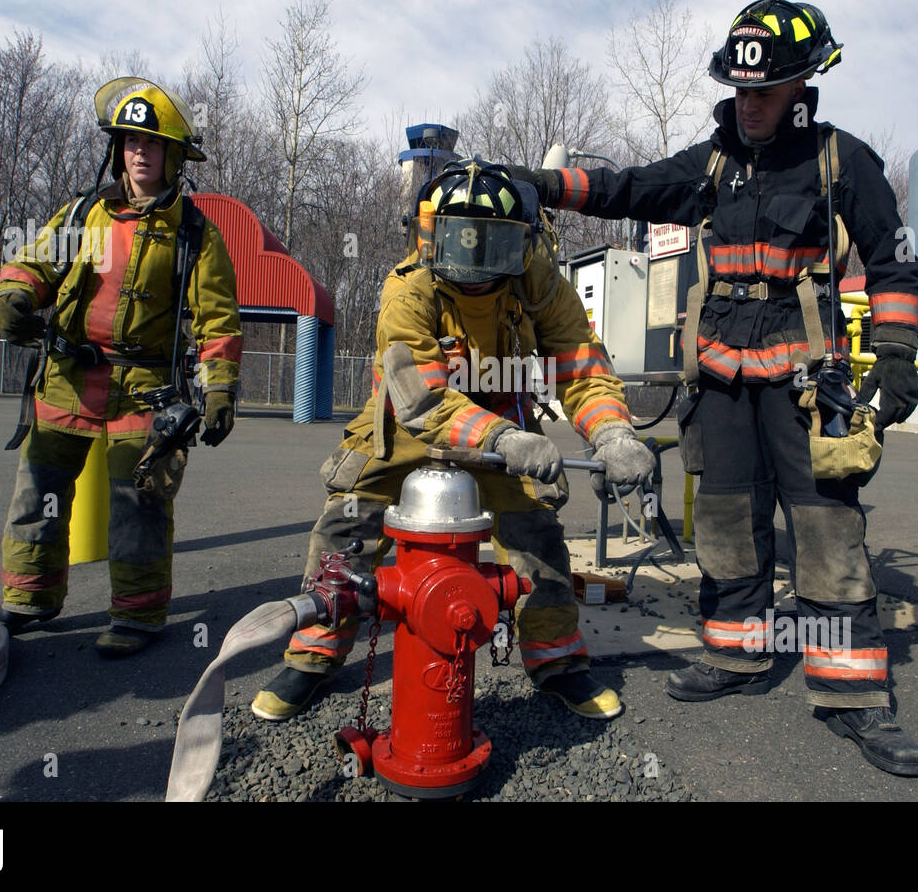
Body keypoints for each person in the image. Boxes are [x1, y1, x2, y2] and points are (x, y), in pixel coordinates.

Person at [509, 0, 918, 776]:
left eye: (765, 92)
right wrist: (540, 184)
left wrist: (895, 357)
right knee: (728, 525)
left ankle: (853, 693)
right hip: (722, 380)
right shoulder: (712, 163)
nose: (750, 105)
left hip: (808, 382)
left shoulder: (843, 162)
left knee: (826, 529)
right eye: (740, 92)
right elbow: (624, 188)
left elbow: (894, 262)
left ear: (804, 86)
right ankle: (736, 654)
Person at [251, 161, 655, 721]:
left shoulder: (538, 278)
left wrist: (613, 433)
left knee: (536, 533)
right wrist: (504, 437)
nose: (476, 262)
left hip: (504, 427)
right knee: (347, 526)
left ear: (524, 241)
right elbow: (424, 398)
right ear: (429, 235)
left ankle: (557, 658)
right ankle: (314, 655)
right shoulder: (406, 288)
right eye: (463, 243)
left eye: (495, 244)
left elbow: (581, 364)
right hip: (403, 426)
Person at [0, 77, 242, 657]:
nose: (140, 153)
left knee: (138, 500)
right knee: (40, 492)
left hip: (143, 390)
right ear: (117, 149)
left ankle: (138, 615)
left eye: (152, 144)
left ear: (175, 156)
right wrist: (13, 297)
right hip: (66, 380)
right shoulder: (82, 215)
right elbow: (31, 266)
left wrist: (220, 392)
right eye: (129, 142)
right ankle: (29, 598)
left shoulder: (197, 236)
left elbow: (217, 322)